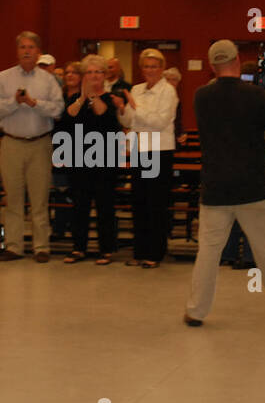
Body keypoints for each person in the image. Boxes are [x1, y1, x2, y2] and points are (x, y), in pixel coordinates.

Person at [184, 40, 265, 326]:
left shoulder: (201, 96)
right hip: (252, 186)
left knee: (209, 252)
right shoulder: (256, 95)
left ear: (212, 65)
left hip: (215, 186)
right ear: (237, 60)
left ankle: (196, 311)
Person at [0, 31, 64, 262]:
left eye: (31, 47)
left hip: (39, 144)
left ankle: (41, 247)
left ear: (38, 52)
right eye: (22, 47)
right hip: (11, 142)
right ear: (17, 51)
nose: (26, 51)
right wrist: (15, 101)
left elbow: (58, 109)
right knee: (13, 199)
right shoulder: (3, 77)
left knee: (39, 199)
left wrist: (34, 103)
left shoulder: (48, 80)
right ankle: (14, 246)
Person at [62, 54, 128, 265]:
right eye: (89, 72)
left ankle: (106, 249)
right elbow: (70, 115)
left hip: (104, 160)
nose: (93, 76)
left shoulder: (111, 98)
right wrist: (83, 97)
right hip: (80, 159)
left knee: (104, 206)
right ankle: (78, 248)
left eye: (98, 72)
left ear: (105, 75)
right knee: (80, 205)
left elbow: (103, 114)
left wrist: (91, 96)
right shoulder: (75, 99)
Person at [121, 48, 178, 267]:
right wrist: (124, 110)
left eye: (154, 66)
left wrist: (136, 109)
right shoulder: (136, 89)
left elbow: (160, 122)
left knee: (156, 203)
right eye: (146, 66)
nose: (150, 70)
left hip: (159, 150)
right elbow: (127, 122)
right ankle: (139, 252)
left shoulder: (168, 92)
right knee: (139, 201)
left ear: (162, 69)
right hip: (138, 148)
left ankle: (155, 253)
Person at [51, 61, 83, 240]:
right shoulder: (58, 96)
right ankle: (60, 225)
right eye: (67, 73)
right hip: (59, 148)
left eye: (74, 73)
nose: (70, 75)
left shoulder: (84, 97)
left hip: (79, 148)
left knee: (76, 190)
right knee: (60, 189)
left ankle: (75, 225)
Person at [163, 67, 186, 146]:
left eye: (174, 80)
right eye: (168, 79)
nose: (170, 82)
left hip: (172, 138)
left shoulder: (176, 99)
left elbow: (177, 120)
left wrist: (181, 133)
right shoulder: (160, 97)